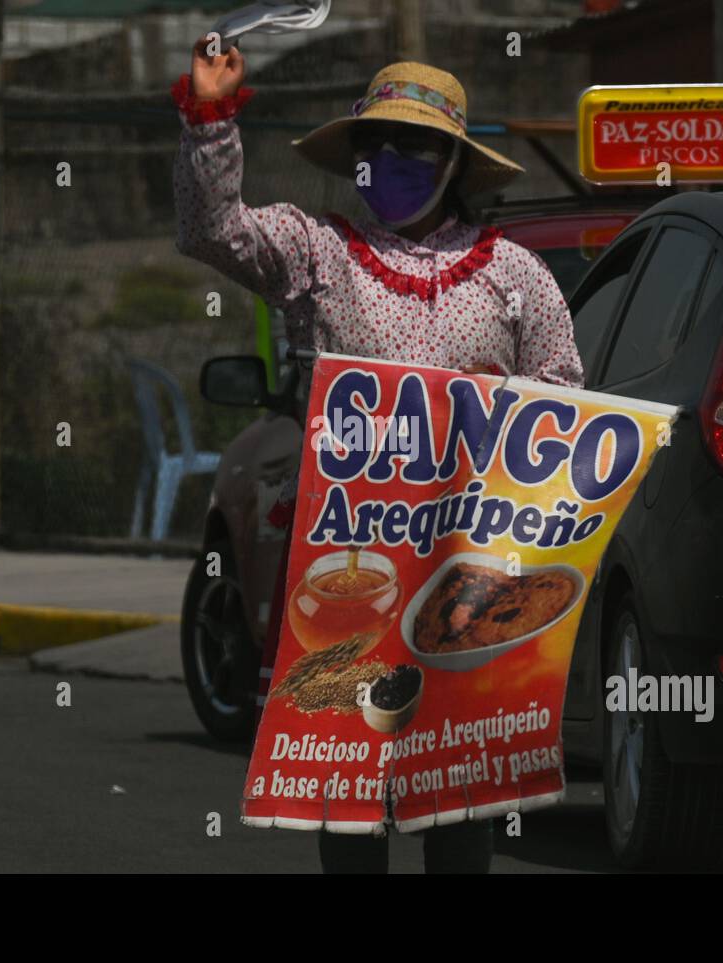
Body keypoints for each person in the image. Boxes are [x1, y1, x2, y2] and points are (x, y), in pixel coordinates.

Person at [173, 38, 585, 874]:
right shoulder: (316, 253)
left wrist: (500, 402)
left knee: (456, 797)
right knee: (350, 790)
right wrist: (210, 119)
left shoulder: (517, 277)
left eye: (414, 147)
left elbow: (564, 408)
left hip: (469, 574)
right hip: (346, 567)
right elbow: (211, 230)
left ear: (454, 165)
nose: (389, 160)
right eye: (373, 146)